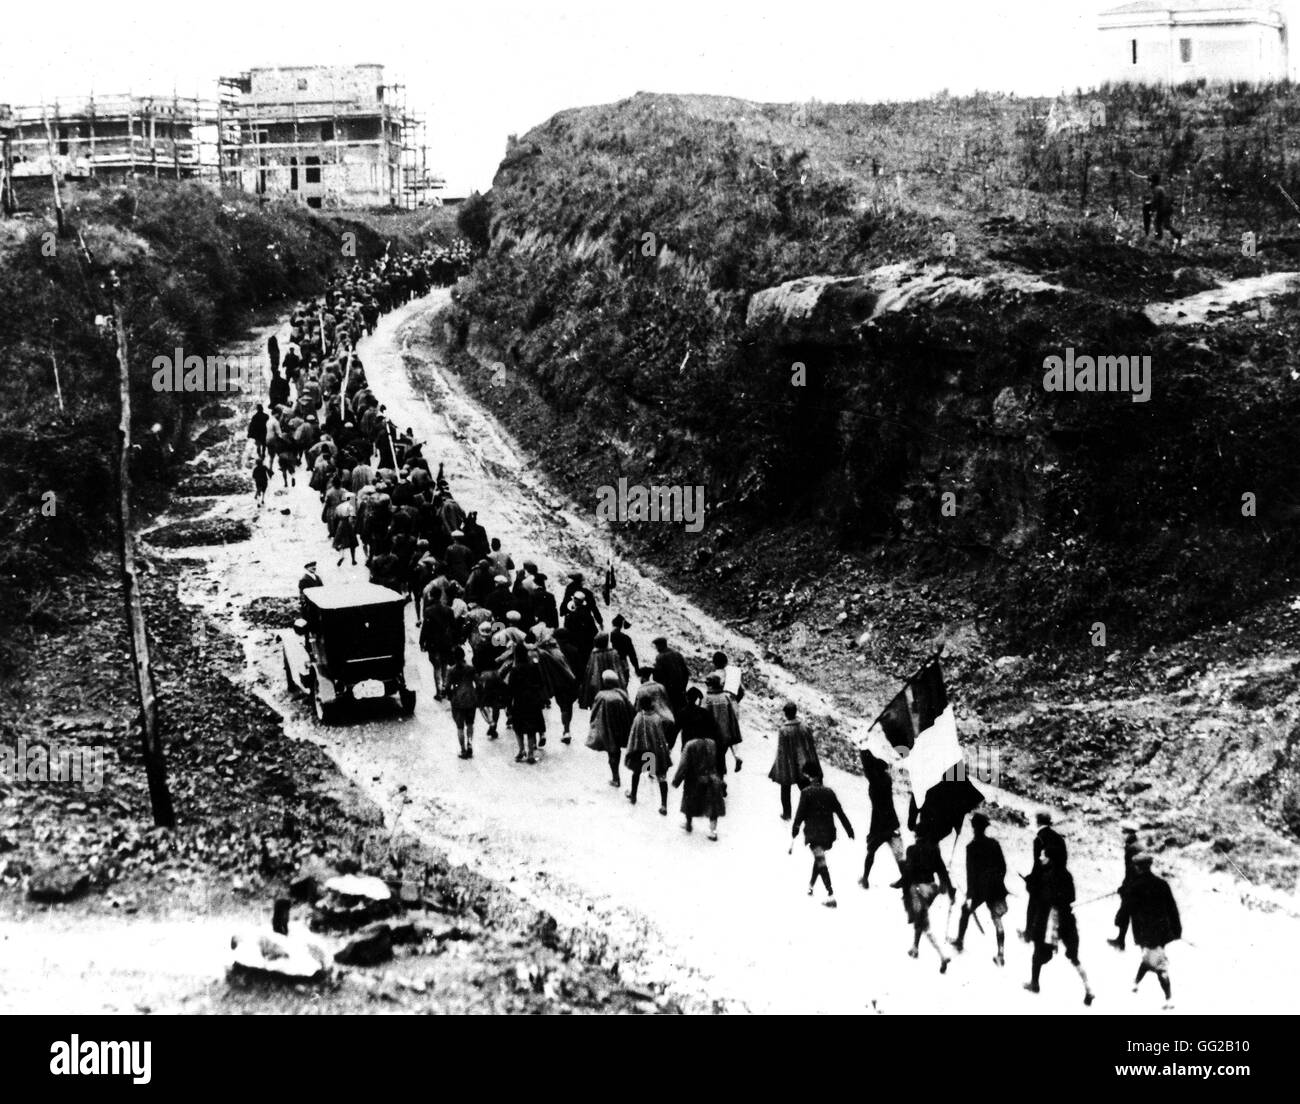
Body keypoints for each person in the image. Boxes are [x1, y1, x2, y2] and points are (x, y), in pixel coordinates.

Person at [1023, 847, 1094, 1006]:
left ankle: (1034, 983)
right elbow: (1072, 897)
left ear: (1051, 859)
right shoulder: (1067, 875)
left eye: (1044, 856)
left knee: (1039, 952)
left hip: (1051, 920)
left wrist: (1030, 887)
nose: (1041, 859)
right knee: (1074, 956)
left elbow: (1041, 898)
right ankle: (1088, 988)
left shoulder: (1046, 876)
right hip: (1068, 918)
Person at [791, 763, 854, 908]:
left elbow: (799, 815)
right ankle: (811, 885)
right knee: (819, 859)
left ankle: (830, 894)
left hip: (814, 834)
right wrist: (849, 829)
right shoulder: (829, 792)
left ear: (808, 776)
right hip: (828, 835)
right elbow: (840, 813)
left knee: (820, 860)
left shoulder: (806, 792)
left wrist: (795, 829)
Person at [1124, 853, 1181, 1009]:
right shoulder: (1161, 884)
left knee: (1157, 964)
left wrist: (1123, 893)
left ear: (1138, 867)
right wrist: (1177, 930)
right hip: (1161, 932)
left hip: (1145, 934)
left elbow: (1127, 908)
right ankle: (1136, 983)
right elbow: (1172, 908)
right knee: (1150, 959)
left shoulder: (1135, 886)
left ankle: (1169, 999)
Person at [953, 812, 1008, 966]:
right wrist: (997, 882)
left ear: (973, 828)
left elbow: (971, 874)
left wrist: (970, 895)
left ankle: (959, 941)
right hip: (996, 889)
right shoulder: (994, 844)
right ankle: (1001, 953)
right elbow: (1003, 867)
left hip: (979, 891)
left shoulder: (971, 847)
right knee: (997, 920)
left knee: (965, 911)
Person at [896, 833, 954, 971]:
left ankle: (939, 955)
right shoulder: (934, 850)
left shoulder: (912, 850)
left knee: (922, 922)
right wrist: (949, 889)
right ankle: (917, 948)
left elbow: (908, 872)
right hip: (931, 889)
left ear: (917, 836)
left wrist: (899, 883)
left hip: (917, 890)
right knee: (922, 919)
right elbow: (942, 871)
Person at [858, 747, 905, 889]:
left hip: (879, 824)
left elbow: (867, 764)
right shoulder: (886, 779)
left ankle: (865, 879)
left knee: (871, 851)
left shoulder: (875, 781)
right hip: (892, 822)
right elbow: (870, 764)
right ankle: (905, 879)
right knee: (898, 854)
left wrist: (862, 749)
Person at [673, 722, 725, 840]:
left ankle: (688, 823)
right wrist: (721, 778)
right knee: (713, 807)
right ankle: (713, 831)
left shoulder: (690, 745)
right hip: (712, 778)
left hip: (694, 778)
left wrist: (677, 780)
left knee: (689, 801)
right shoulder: (712, 744)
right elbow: (720, 761)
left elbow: (683, 765)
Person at [769, 701, 820, 820]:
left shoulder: (783, 730)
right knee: (806, 788)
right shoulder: (805, 726)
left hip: (789, 764)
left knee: (785, 788)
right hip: (804, 763)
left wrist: (779, 769)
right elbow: (811, 746)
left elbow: (781, 751)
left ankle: (787, 814)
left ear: (786, 714)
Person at [586, 670, 636, 787]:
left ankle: (616, 778)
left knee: (612, 754)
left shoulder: (601, 696)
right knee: (616, 752)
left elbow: (595, 714)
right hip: (621, 728)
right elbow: (630, 711)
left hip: (607, 729)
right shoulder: (622, 694)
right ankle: (616, 777)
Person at [625, 695, 672, 814]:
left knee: (636, 772)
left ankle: (633, 795)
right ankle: (664, 805)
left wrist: (630, 751)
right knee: (661, 777)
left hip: (641, 751)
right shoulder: (656, 718)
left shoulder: (638, 718)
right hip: (655, 752)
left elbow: (633, 736)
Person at [506, 642, 546, 764]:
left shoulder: (514, 670)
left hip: (519, 701)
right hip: (532, 700)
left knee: (518, 727)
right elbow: (540, 683)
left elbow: (510, 689)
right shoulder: (533, 667)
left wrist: (509, 706)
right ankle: (530, 753)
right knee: (531, 728)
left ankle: (521, 750)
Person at [1108, 821, 1142, 950]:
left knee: (1128, 914)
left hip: (1133, 887)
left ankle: (1123, 941)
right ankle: (1121, 940)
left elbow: (1132, 871)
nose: (1122, 834)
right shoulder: (1132, 846)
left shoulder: (1133, 848)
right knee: (1126, 914)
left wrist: (1126, 886)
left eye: (1124, 832)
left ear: (1129, 833)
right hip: (1132, 886)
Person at [702, 674, 742, 775]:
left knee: (711, 763)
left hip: (711, 736)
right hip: (725, 736)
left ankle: (716, 784)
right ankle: (721, 781)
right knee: (721, 758)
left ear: (710, 685)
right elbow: (732, 718)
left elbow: (702, 717)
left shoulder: (707, 699)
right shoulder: (725, 698)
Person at [651, 637, 691, 730]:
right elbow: (686, 673)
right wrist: (683, 687)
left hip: (668, 691)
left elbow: (657, 677)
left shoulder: (660, 657)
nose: (656, 648)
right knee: (681, 716)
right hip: (680, 690)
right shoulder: (678, 654)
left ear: (660, 645)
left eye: (657, 646)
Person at [445, 646, 478, 759]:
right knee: (470, 724)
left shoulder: (451, 670)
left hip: (458, 700)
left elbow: (447, 687)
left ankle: (463, 750)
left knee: (460, 727)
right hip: (470, 698)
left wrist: (451, 697)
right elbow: (478, 683)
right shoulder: (470, 668)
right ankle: (469, 744)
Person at [580, 632, 627, 709]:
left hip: (599, 683)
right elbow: (619, 669)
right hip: (613, 681)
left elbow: (591, 672)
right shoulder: (613, 652)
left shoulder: (595, 654)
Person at [1142, 172, 1182, 247]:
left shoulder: (1157, 189)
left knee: (1158, 224)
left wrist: (1152, 209)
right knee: (1164, 225)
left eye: (1150, 182)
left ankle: (1159, 240)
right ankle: (1177, 235)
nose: (1149, 184)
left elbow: (1156, 200)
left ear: (1153, 182)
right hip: (1165, 208)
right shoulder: (1159, 188)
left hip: (1164, 209)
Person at [610, 614, 639, 679]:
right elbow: (632, 655)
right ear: (621, 626)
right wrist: (636, 668)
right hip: (622, 664)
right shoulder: (625, 638)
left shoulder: (607, 637)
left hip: (608, 664)